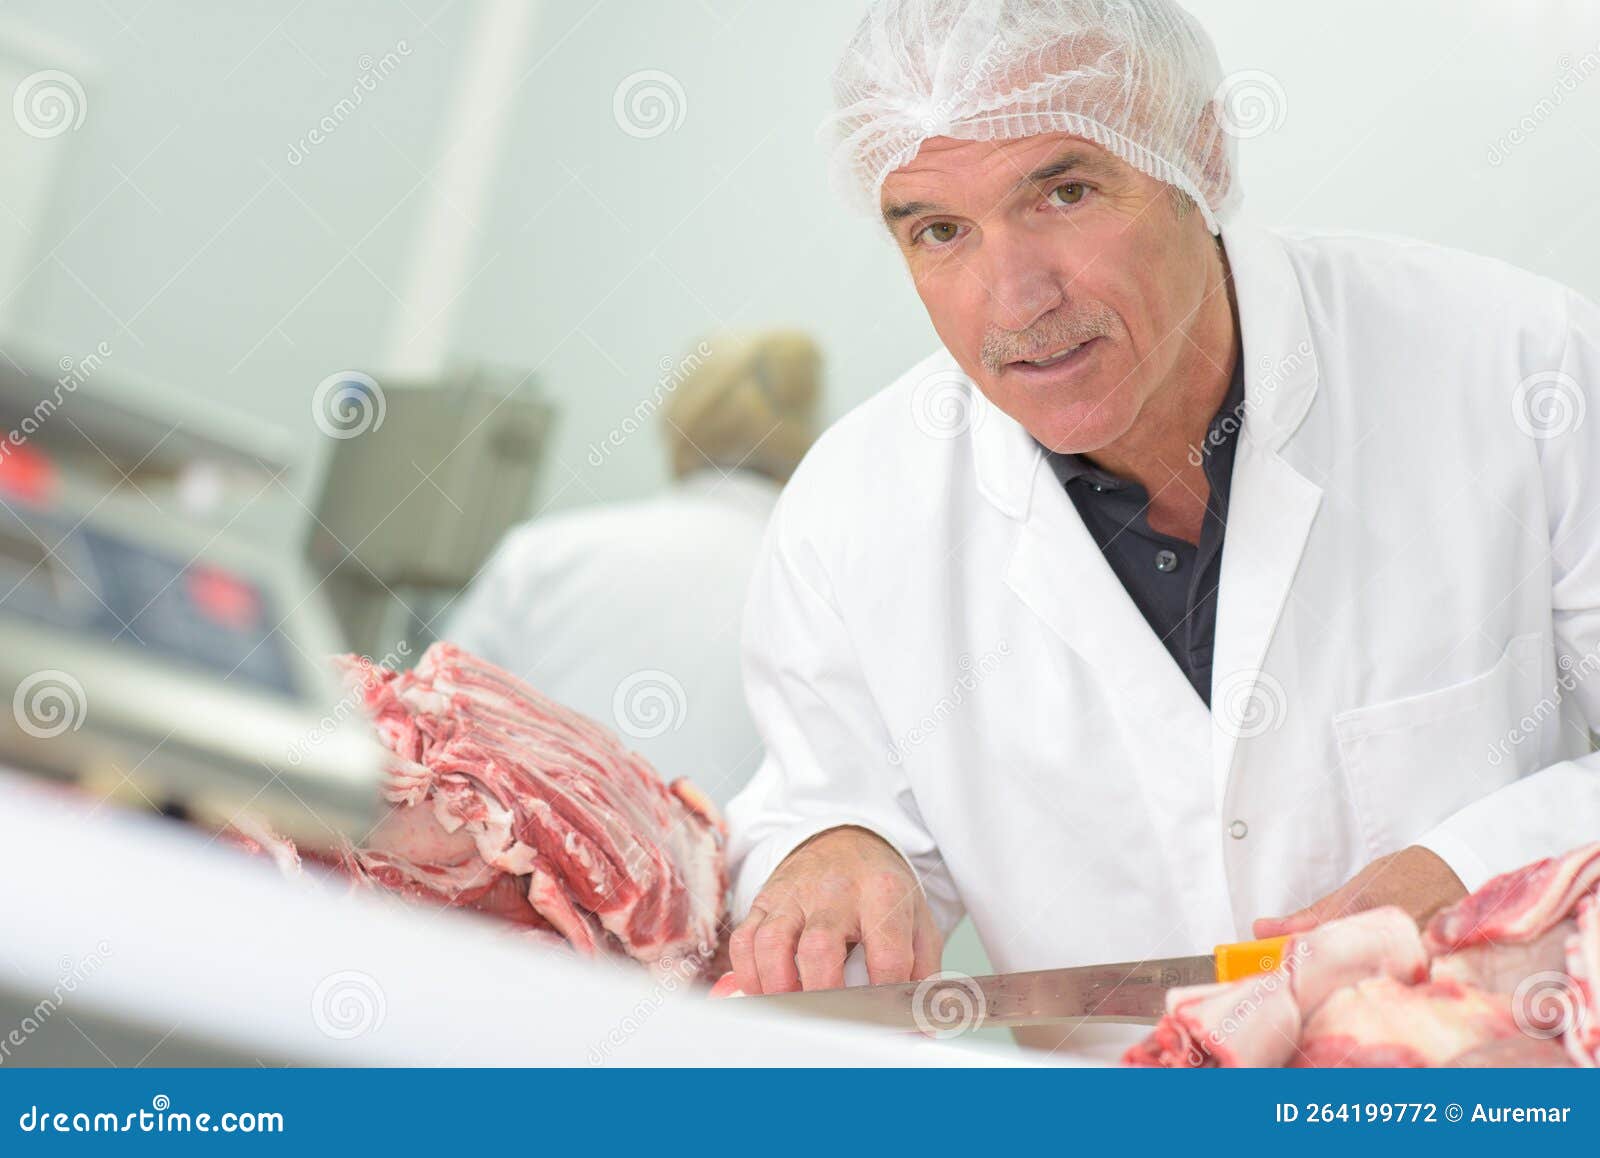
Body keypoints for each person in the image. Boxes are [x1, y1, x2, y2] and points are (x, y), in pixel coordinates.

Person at [723, 0, 1600, 1031]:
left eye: (1064, 191)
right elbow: (827, 800)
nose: (1014, 300)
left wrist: (1475, 864)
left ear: (1199, 159)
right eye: (940, 231)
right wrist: (832, 849)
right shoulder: (851, 511)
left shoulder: (1520, 370)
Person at [447, 331, 822, 806]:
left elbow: (438, 732)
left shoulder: (545, 553)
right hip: (734, 875)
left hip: (529, 866)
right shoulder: (822, 588)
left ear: (675, 427)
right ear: (808, 438)